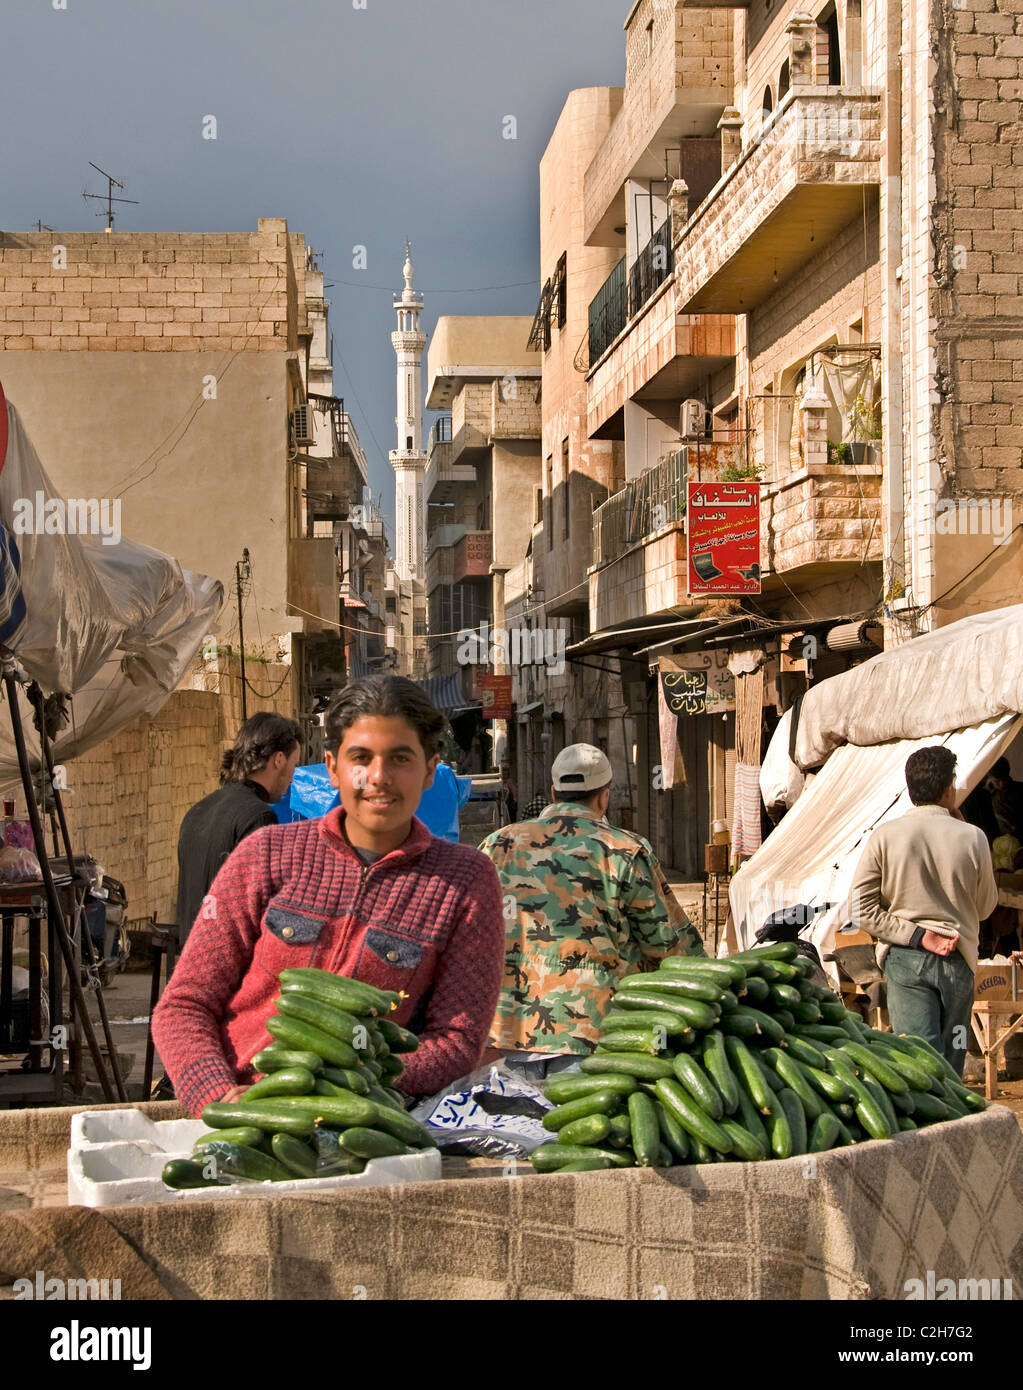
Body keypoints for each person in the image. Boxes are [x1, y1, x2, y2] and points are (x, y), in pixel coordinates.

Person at [153, 676, 505, 1116]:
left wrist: (345, 1086)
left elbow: (456, 1041)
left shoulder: (466, 882)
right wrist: (219, 1100)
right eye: (361, 757)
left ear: (431, 769)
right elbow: (184, 1006)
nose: (379, 777)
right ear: (332, 767)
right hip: (239, 1116)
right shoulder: (266, 855)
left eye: (400, 758)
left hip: (369, 1128)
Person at [478, 743, 705, 1077]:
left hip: (506, 1032)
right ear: (604, 797)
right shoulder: (624, 850)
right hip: (594, 1039)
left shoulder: (497, 845)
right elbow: (668, 947)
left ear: (554, 792)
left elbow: (470, 936)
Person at [850, 745, 998, 1077]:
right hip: (959, 964)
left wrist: (916, 934)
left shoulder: (885, 836)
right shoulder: (974, 837)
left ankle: (932, 1127)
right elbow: (986, 908)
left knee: (920, 1062)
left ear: (910, 789)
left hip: (906, 962)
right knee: (954, 1054)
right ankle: (956, 1124)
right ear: (950, 788)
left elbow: (861, 909)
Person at [175, 713, 302, 945]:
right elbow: (261, 909)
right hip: (227, 965)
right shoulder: (257, 817)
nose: (292, 778)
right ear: (279, 760)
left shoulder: (198, 811)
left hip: (191, 961)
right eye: (294, 766)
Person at [984, 757, 1023, 841]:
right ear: (989, 779)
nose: (1001, 784)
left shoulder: (1019, 789)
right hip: (1003, 843)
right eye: (997, 781)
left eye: (1004, 779)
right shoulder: (985, 797)